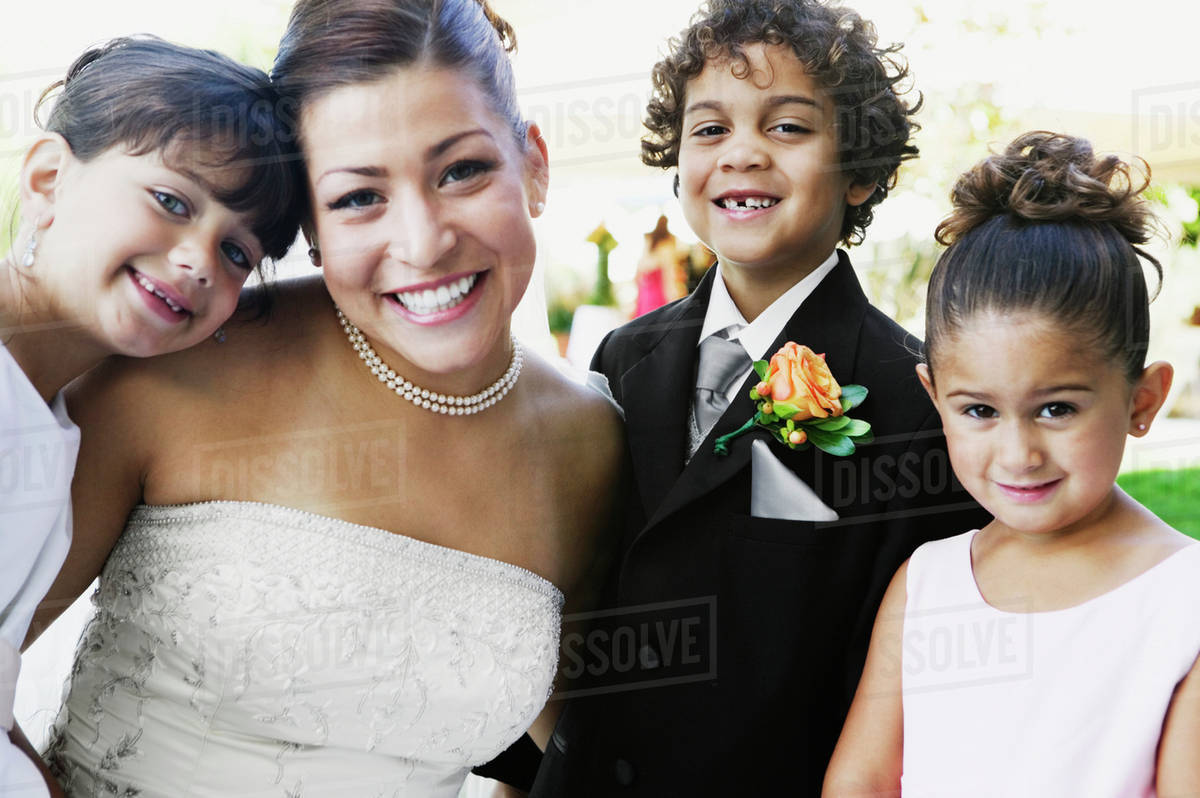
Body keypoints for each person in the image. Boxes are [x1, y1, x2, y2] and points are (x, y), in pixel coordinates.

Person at [26, 1, 624, 796]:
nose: (422, 242)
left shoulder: (591, 446)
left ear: (534, 165)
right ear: (309, 224)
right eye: (357, 198)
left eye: (462, 171)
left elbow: (565, 757)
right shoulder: (184, 362)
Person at [531, 0, 988, 794]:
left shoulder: (914, 402)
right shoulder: (621, 357)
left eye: (787, 128)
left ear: (862, 173)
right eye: (709, 130)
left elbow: (909, 688)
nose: (741, 153)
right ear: (677, 164)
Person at [823, 131, 1200, 797]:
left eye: (1056, 409)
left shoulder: (1183, 603)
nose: (1018, 454)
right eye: (978, 412)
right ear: (935, 399)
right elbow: (862, 779)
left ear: (1143, 401)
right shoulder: (927, 584)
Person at [0, 36, 304, 797]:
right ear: (47, 178)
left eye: (238, 252)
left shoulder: (62, 414)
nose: (202, 260)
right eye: (172, 201)